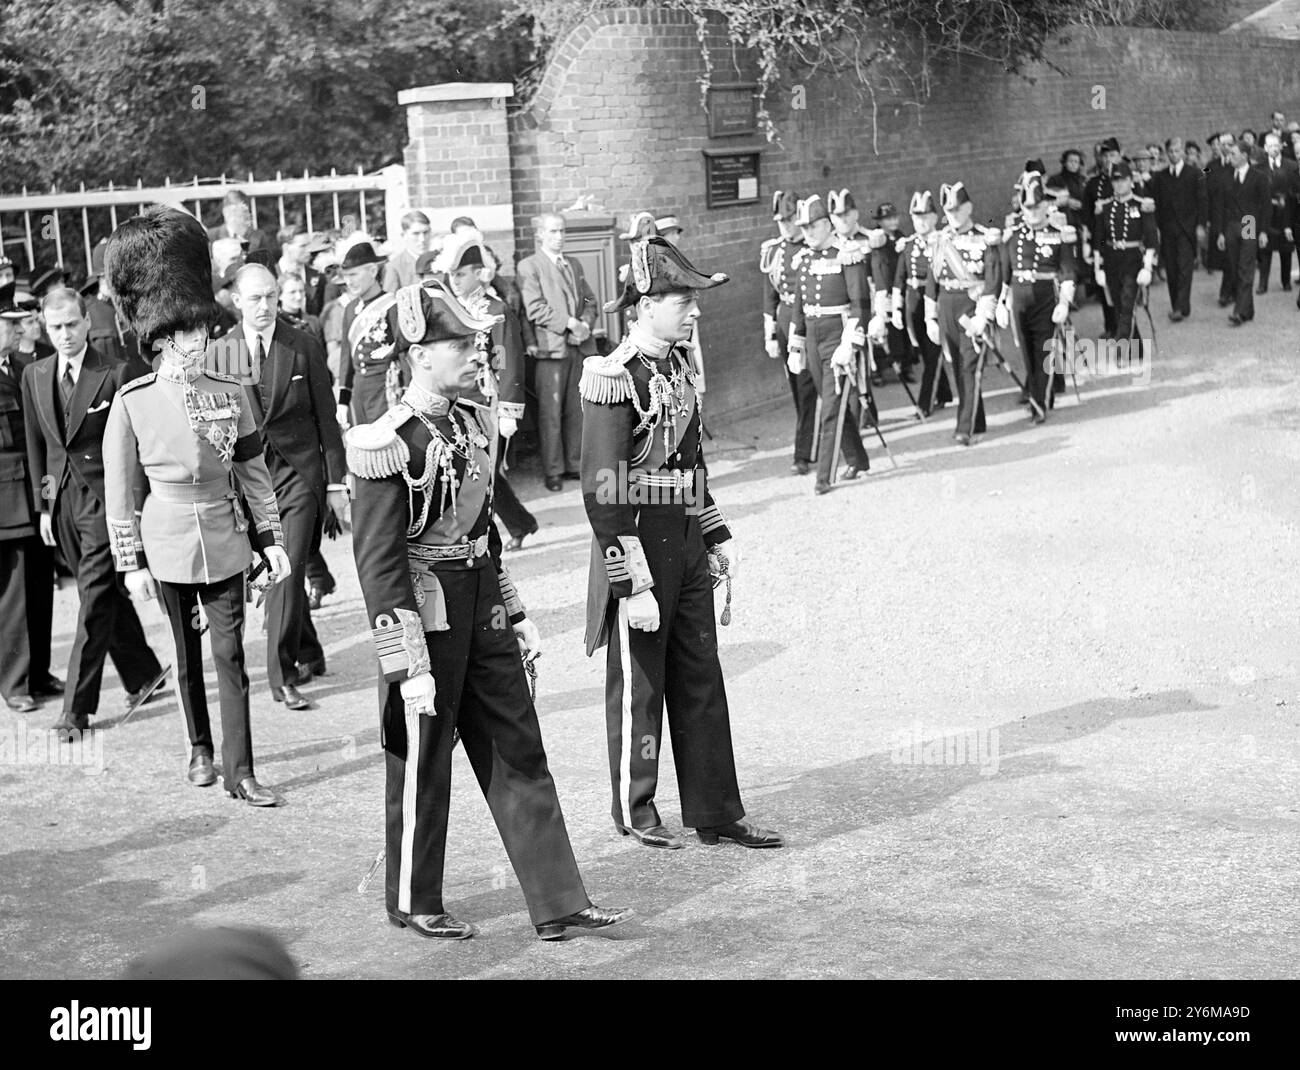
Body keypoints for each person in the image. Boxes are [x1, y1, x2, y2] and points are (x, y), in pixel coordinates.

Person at [348, 281, 631, 940]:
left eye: (477, 342)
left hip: (482, 605)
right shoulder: (388, 443)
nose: (477, 354)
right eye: (460, 343)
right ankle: (415, 900)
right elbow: (380, 568)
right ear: (418, 352)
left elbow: (483, 534)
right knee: (423, 762)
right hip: (426, 617)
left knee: (519, 748)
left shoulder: (473, 420)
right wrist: (407, 663)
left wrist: (516, 608)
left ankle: (558, 899)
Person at [577, 234, 782, 853]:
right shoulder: (614, 377)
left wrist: (712, 530)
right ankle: (636, 805)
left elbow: (691, 463)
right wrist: (628, 582)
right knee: (642, 687)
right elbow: (603, 489)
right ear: (644, 305)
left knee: (701, 677)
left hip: (684, 540)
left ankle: (716, 809)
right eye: (681, 300)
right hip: (638, 540)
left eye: (694, 299)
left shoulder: (679, 366)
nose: (694, 310)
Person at [102, 206, 292, 805]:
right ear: (161, 337)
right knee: (186, 659)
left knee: (231, 655)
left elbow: (254, 470)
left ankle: (242, 770)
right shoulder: (132, 401)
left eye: (201, 331)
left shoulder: (231, 391)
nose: (199, 341)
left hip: (227, 534)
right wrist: (129, 563)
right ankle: (200, 748)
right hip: (166, 541)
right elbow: (120, 491)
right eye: (187, 334)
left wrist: (274, 540)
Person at [22, 287, 167, 735]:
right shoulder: (35, 374)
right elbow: (38, 447)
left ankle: (76, 710)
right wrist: (45, 507)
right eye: (54, 327)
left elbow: (138, 446)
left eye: (71, 325)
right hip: (62, 505)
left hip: (107, 505)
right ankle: (144, 674)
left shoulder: (115, 372)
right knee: (100, 593)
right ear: (44, 328)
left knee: (94, 598)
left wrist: (137, 509)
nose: (64, 335)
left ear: (87, 322)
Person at [208, 265, 347, 711]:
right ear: (235, 300)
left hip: (298, 477)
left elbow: (327, 417)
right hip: (251, 482)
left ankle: (281, 673)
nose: (266, 306)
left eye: (271, 296)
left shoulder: (300, 342)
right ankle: (310, 650)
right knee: (284, 567)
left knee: (283, 567)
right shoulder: (222, 352)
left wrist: (335, 484)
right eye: (255, 299)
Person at [436, 232, 538, 551]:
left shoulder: (495, 310)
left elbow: (505, 358)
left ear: (478, 273)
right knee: (477, 469)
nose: (454, 280)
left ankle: (480, 536)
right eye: (452, 274)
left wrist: (509, 407)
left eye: (461, 273)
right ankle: (520, 522)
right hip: (457, 400)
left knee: (483, 470)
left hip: (486, 401)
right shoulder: (450, 308)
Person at [0, 288, 59, 714]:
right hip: (3, 503)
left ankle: (38, 672)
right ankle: (14, 682)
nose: (20, 327)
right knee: (13, 596)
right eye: (10, 323)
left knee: (41, 590)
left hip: (33, 494)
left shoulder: (22, 366)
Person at [790, 194, 873, 492]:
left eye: (813, 226)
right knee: (832, 401)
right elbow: (800, 305)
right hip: (812, 336)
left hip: (839, 336)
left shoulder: (847, 253)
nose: (808, 232)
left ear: (827, 224)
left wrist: (849, 344)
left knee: (830, 407)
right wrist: (796, 345)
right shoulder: (804, 258)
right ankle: (858, 459)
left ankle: (824, 476)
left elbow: (861, 305)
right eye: (805, 227)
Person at [517, 213, 598, 492]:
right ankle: (553, 470)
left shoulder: (573, 264)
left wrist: (586, 322)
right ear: (540, 235)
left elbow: (589, 299)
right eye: (553, 232)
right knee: (550, 413)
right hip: (550, 350)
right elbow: (535, 307)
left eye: (562, 231)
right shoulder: (529, 267)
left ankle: (575, 464)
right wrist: (569, 323)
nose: (559, 237)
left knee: (577, 409)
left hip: (579, 347)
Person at [924, 181, 1002, 446]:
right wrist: (930, 318)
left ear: (968, 208)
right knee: (957, 367)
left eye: (958, 209)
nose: (953, 215)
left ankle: (964, 427)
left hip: (972, 306)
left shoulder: (985, 237)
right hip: (946, 305)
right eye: (949, 211)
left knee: (969, 366)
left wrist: (985, 315)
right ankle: (976, 419)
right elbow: (931, 282)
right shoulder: (938, 240)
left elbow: (993, 279)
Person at [995, 173, 1076, 421]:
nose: (1032, 211)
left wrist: (1064, 302)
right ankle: (1040, 393)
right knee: (1028, 352)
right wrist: (1000, 302)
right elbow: (1005, 273)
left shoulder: (1058, 233)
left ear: (1046, 206)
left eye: (1037, 206)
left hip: (1046, 298)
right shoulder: (1013, 235)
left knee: (1044, 350)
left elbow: (1067, 271)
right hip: (1019, 299)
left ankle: (1038, 402)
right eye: (1028, 207)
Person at [760, 190, 817, 474]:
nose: (786, 225)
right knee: (797, 386)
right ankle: (811, 437)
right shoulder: (774, 250)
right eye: (782, 220)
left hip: (808, 320)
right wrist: (770, 333)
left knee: (808, 387)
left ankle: (803, 453)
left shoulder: (812, 246)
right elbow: (770, 294)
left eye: (791, 219)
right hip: (784, 320)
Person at [893, 190, 953, 415]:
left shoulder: (944, 243)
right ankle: (945, 393)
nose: (922, 222)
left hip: (936, 303)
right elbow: (899, 277)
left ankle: (924, 405)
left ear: (935, 218)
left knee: (933, 352)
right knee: (928, 352)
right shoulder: (907, 245)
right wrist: (897, 307)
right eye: (917, 218)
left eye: (926, 217)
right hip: (913, 303)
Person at [1209, 138, 1270, 326]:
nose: (1230, 157)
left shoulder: (1258, 176)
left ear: (1244, 155)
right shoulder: (1225, 176)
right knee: (1234, 268)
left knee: (1245, 267)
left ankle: (1239, 312)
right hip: (1230, 225)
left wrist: (1263, 232)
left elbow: (1266, 206)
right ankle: (1248, 309)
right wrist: (1219, 232)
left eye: (1233, 154)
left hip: (1249, 222)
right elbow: (1219, 206)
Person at [1094, 161, 1159, 339]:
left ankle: (1122, 347)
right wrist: (1098, 268)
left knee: (1127, 303)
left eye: (1123, 180)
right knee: (1118, 305)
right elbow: (1099, 239)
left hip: (1133, 261)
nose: (1119, 184)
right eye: (1115, 181)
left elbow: (1152, 239)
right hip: (1111, 261)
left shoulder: (1141, 204)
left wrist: (1147, 267)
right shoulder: (1104, 207)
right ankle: (1136, 347)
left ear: (1131, 181)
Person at [336, 240, 397, 426]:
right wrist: (343, 401)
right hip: (359, 392)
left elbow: (402, 353)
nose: (349, 281)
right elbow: (346, 356)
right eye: (346, 276)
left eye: (354, 274)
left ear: (372, 271)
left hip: (386, 390)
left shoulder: (392, 305)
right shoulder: (350, 309)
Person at [1153, 137, 1208, 322]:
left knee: (1185, 268)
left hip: (1187, 229)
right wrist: (1157, 229)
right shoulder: (1160, 177)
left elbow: (1202, 201)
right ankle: (1179, 304)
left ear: (1183, 152)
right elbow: (1157, 204)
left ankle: (1179, 307)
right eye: (1170, 152)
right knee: (1172, 269)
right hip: (1168, 229)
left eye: (1177, 151)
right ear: (1166, 153)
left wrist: (1200, 225)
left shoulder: (1195, 173)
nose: (1174, 155)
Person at [867, 200, 914, 383]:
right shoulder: (877, 240)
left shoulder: (900, 237)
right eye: (888, 218)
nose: (893, 221)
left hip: (899, 288)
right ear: (880, 221)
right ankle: (880, 369)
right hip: (883, 289)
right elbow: (876, 268)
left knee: (900, 328)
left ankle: (905, 365)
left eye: (894, 217)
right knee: (883, 330)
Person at [1082, 137, 1123, 337]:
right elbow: (1087, 217)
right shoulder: (1093, 185)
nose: (1108, 160)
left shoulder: (1128, 181)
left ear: (1120, 156)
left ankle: (1124, 333)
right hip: (1102, 245)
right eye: (1105, 156)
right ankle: (1110, 327)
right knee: (1104, 288)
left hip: (1123, 245)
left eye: (1112, 155)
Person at [1257, 132, 1298, 294]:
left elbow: (1295, 188)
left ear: (1280, 146)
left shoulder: (1292, 166)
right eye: (1270, 146)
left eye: (1276, 145)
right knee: (1264, 249)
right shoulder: (1259, 168)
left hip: (1285, 213)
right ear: (1265, 148)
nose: (1273, 148)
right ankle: (1263, 283)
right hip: (1267, 213)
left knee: (1286, 248)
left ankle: (1285, 280)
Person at [275, 224, 326, 316]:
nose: (309, 250)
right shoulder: (270, 275)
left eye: (309, 245)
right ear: (286, 247)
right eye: (303, 246)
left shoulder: (318, 277)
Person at [381, 211, 432, 295]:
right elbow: (390, 302)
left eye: (426, 232)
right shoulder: (394, 267)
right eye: (416, 234)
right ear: (404, 235)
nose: (422, 239)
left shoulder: (440, 260)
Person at [207, 190, 269, 258]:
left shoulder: (259, 236)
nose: (242, 214)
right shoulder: (211, 236)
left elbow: (265, 265)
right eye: (234, 210)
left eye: (244, 210)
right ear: (225, 212)